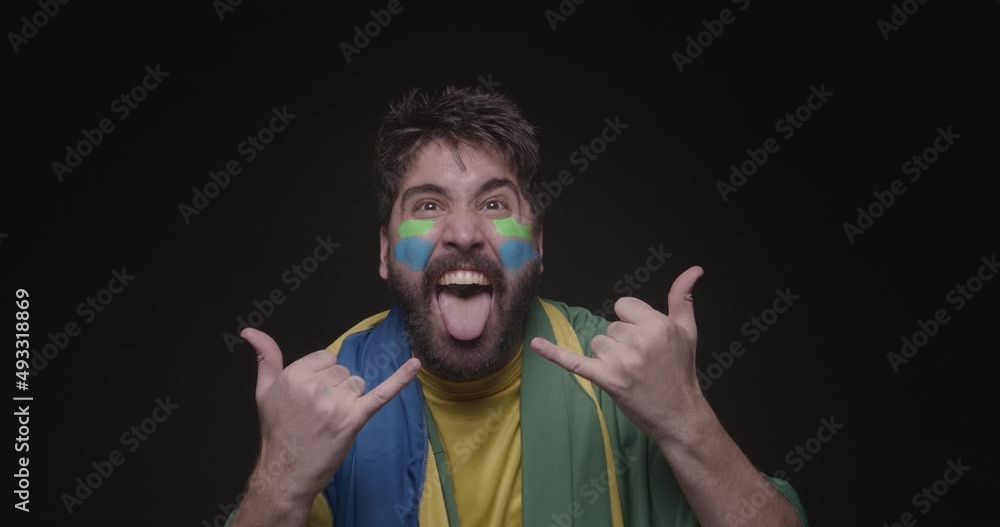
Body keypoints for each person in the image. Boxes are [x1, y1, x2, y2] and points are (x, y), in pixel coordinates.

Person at [228, 86, 809, 527]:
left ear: (535, 244)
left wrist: (685, 418)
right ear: (384, 251)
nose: (462, 233)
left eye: (494, 203)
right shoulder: (328, 392)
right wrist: (279, 482)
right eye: (428, 206)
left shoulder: (621, 373)